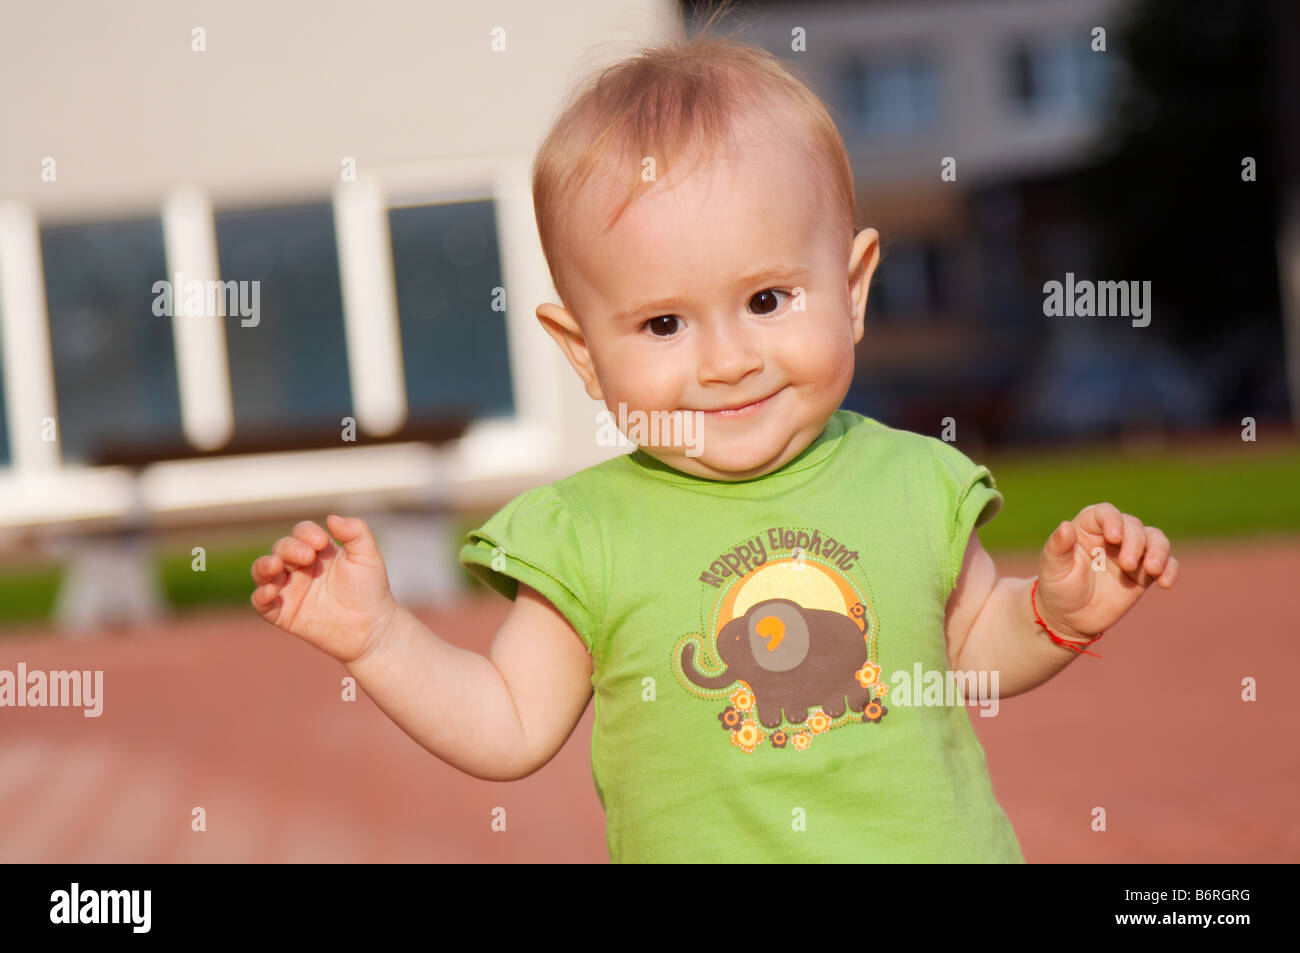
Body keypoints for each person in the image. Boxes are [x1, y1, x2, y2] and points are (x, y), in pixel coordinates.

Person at [250, 30, 1178, 863]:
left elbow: (972, 651)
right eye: (662, 324)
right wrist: (377, 638)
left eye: (768, 300)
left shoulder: (915, 478)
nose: (727, 362)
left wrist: (1059, 613)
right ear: (583, 352)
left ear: (852, 288)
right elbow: (510, 722)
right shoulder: (587, 531)